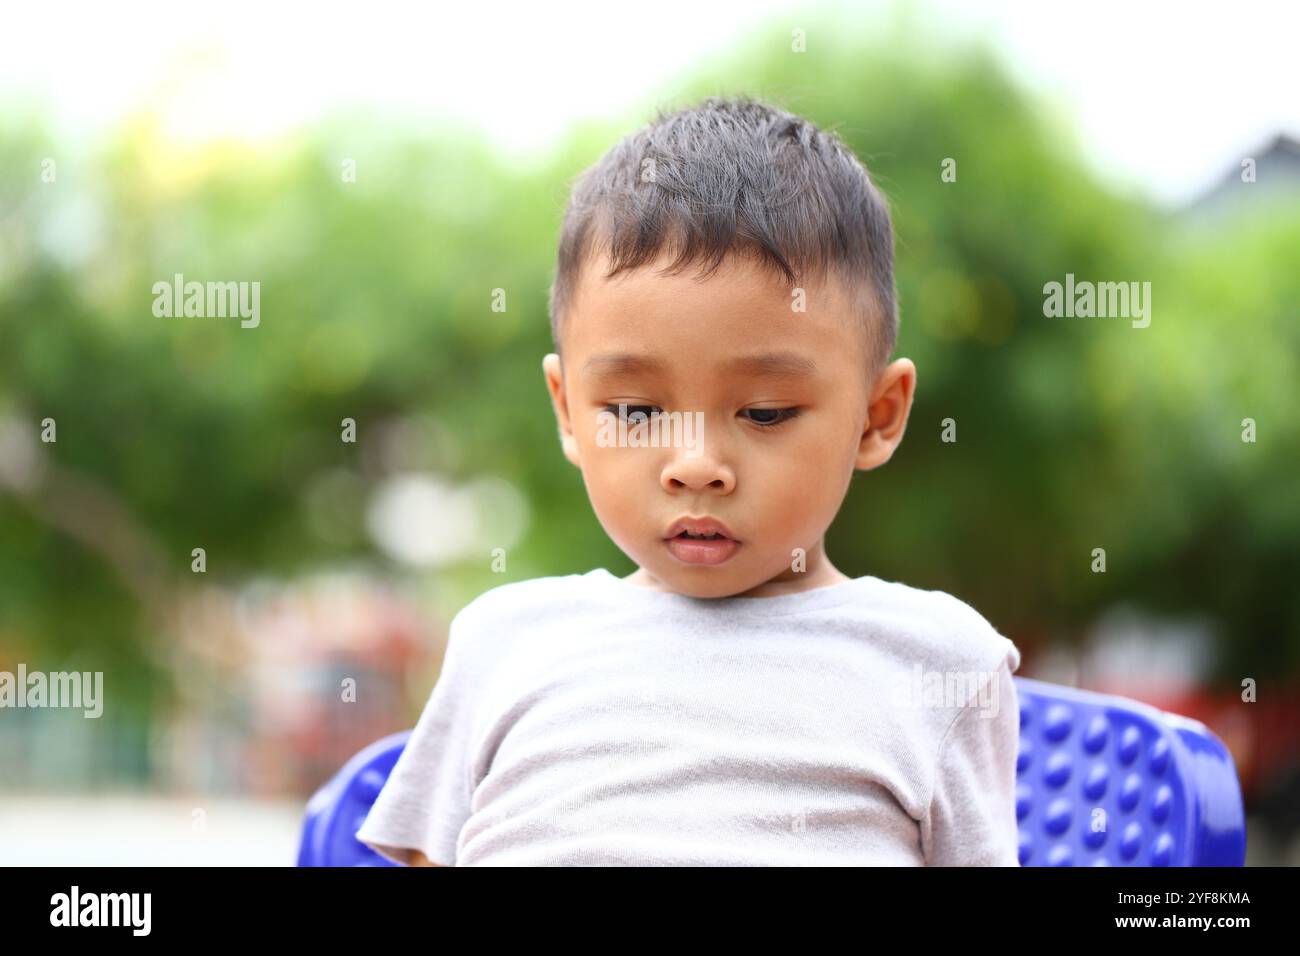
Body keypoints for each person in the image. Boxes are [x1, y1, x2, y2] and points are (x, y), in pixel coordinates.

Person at [357, 95, 1022, 866]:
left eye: (766, 412)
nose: (695, 464)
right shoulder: (506, 642)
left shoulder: (936, 663)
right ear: (569, 410)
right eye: (636, 410)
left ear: (876, 416)